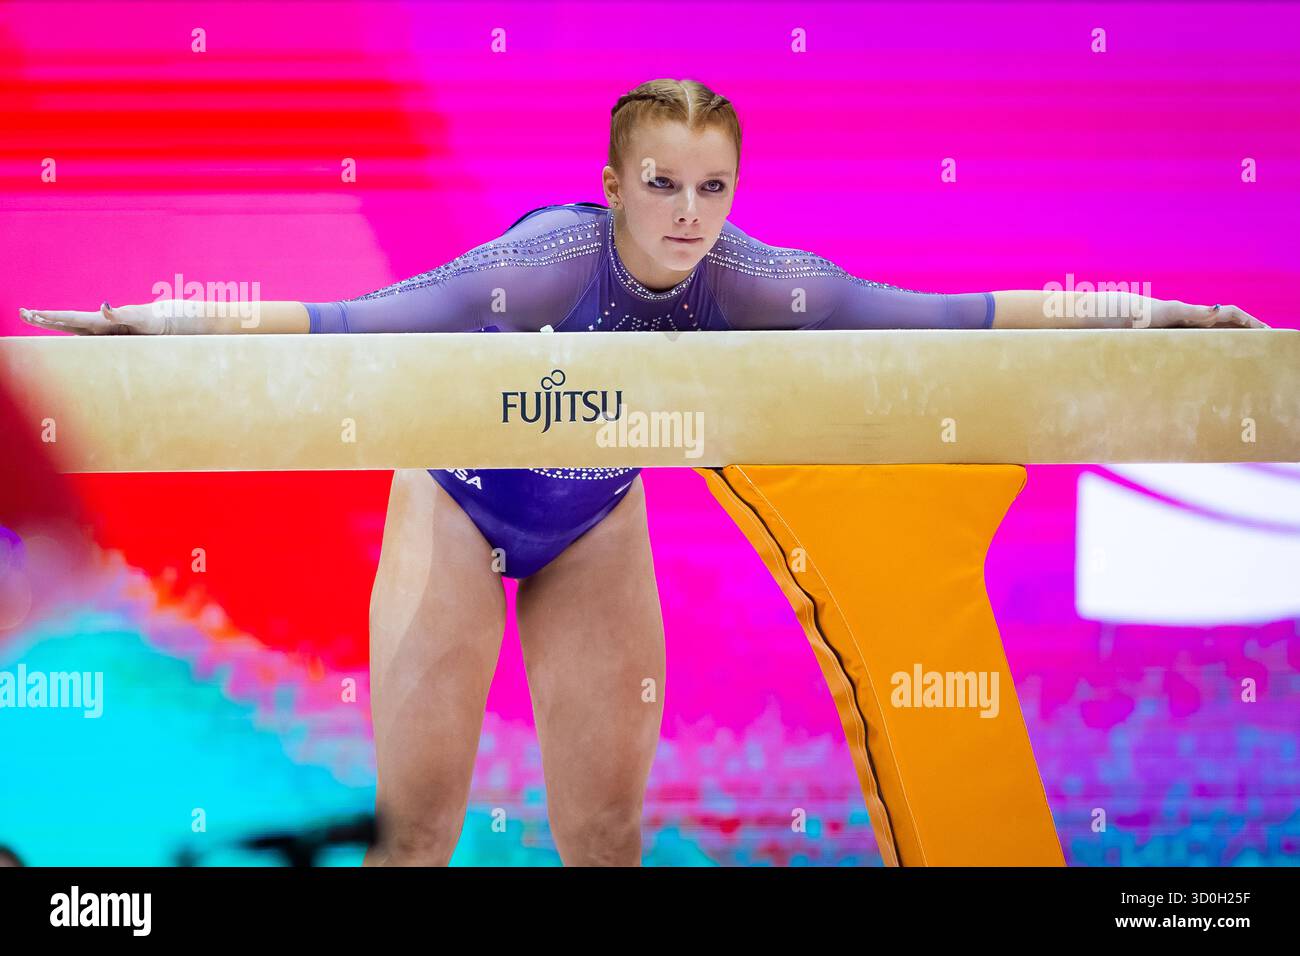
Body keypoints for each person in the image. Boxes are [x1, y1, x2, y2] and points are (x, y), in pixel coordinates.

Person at [18, 78, 1267, 867]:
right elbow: (344, 325)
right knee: (415, 835)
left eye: (712, 188)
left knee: (606, 837)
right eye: (661, 183)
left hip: (594, 515)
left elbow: (967, 318)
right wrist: (162, 325)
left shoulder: (761, 285)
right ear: (612, 184)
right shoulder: (549, 265)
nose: (687, 211)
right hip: (456, 498)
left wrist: (1159, 316)